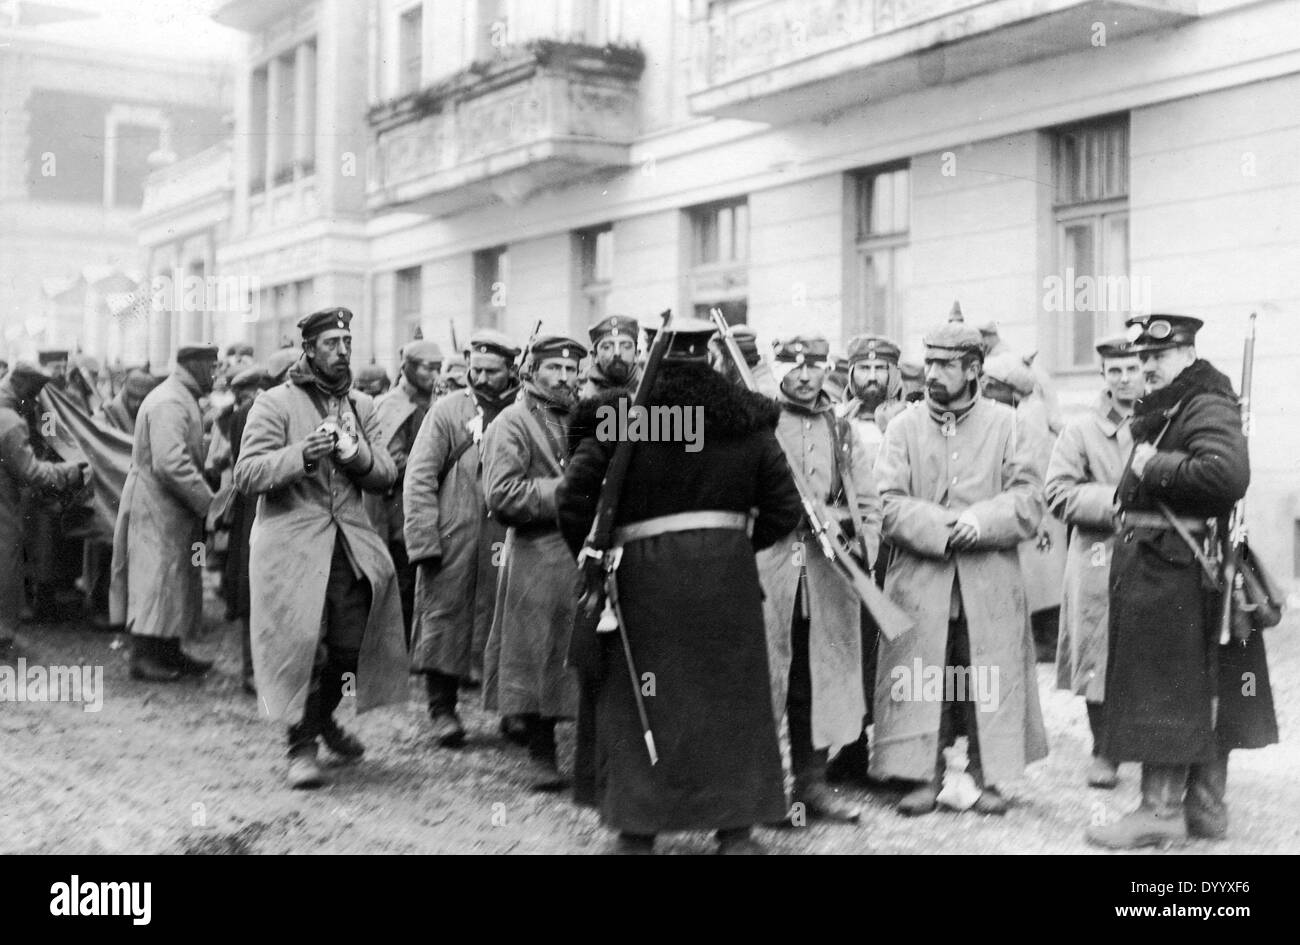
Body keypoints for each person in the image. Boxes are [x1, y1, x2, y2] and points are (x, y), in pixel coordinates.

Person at [558, 318, 802, 854]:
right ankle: (735, 830)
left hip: (641, 582)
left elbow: (572, 500)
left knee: (639, 699)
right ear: (711, 355)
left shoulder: (623, 418)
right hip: (727, 584)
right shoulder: (750, 420)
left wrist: (598, 557)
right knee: (730, 701)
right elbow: (786, 509)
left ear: (653, 355)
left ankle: (637, 831)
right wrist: (731, 547)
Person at [1086, 314, 1278, 848]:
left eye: (1158, 357)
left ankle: (1160, 811)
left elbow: (1226, 476)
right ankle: (1204, 812)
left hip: (1177, 572)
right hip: (1168, 568)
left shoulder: (1204, 404)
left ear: (1188, 355)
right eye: (1142, 357)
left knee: (1164, 692)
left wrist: (1153, 467)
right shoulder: (1178, 403)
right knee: (1201, 688)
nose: (1147, 366)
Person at [871, 320, 1048, 816]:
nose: (933, 374)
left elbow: (1031, 498)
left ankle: (987, 773)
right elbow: (884, 502)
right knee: (922, 674)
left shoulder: (1008, 425)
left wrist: (982, 520)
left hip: (988, 578)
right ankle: (920, 773)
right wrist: (943, 526)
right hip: (920, 578)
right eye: (929, 363)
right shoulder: (903, 426)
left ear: (974, 369)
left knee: (986, 672)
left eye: (946, 365)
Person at [234, 307, 408, 789]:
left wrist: (357, 455)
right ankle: (301, 747)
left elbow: (387, 475)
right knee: (303, 647)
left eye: (347, 342)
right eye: (331, 343)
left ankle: (323, 717)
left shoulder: (362, 406)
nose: (342, 351)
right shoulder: (274, 404)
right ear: (308, 349)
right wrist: (300, 456)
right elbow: (247, 475)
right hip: (292, 546)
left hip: (349, 542)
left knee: (352, 646)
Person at [755, 334, 881, 824]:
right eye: (794, 365)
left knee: (817, 681)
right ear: (777, 368)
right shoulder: (759, 423)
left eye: (814, 367)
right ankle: (763, 792)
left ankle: (811, 787)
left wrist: (856, 540)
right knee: (768, 679)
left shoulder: (842, 428)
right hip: (772, 566)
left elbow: (868, 502)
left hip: (828, 573)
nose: (805, 376)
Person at [480, 334, 586, 790]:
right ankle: (541, 752)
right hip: (536, 553)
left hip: (585, 551)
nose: (564, 378)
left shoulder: (589, 416)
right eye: (554, 369)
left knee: (583, 652)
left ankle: (589, 753)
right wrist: (567, 492)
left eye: (570, 370)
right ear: (532, 372)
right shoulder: (512, 422)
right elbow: (502, 496)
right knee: (538, 652)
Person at [405, 329, 521, 746]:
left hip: (506, 538)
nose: (483, 378)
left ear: (512, 369)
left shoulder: (524, 411)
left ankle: (514, 712)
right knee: (444, 617)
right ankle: (442, 709)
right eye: (476, 370)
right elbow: (419, 476)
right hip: (453, 536)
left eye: (493, 371)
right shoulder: (448, 411)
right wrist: (423, 540)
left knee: (508, 621)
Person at [1045, 334, 1139, 790]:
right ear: (1103, 377)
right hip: (1097, 555)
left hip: (1153, 556)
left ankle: (1147, 745)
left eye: (1133, 368)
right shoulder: (1079, 430)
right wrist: (1119, 503)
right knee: (1097, 655)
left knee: (1149, 649)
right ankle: (1104, 750)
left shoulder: (1164, 423)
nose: (1125, 380)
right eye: (1115, 371)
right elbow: (1057, 492)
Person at [110, 345, 220, 682]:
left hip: (170, 504)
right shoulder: (171, 401)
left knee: (173, 579)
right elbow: (170, 463)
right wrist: (209, 502)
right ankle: (143, 657)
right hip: (157, 503)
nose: (215, 373)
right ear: (196, 366)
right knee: (155, 579)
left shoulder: (178, 395)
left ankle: (169, 650)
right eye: (211, 366)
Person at [983, 351, 1067, 663]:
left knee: (1042, 578)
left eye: (991, 385)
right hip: (1039, 506)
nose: (984, 390)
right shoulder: (1024, 412)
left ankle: (1044, 640)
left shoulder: (1024, 417)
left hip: (1038, 506)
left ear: (1010, 388)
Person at [0, 363, 86, 655]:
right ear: (23, 388)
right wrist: (68, 472)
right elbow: (31, 471)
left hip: (13, 498)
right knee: (7, 566)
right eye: (34, 394)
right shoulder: (10, 421)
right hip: (9, 504)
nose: (36, 401)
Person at [369, 340, 442, 643]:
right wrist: (431, 464)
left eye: (438, 368)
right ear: (407, 367)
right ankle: (396, 644)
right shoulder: (393, 405)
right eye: (427, 367)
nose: (435, 375)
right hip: (397, 508)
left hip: (427, 503)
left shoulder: (433, 401)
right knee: (402, 578)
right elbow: (389, 458)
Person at [220, 364, 269, 694]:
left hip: (249, 507)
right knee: (255, 586)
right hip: (259, 505)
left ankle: (253, 669)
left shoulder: (240, 414)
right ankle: (255, 670)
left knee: (250, 584)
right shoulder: (255, 412)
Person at [579, 315, 640, 399]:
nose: (617, 353)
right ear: (594, 356)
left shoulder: (651, 389)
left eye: (626, 346)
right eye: (607, 347)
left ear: (636, 355)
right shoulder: (581, 394)